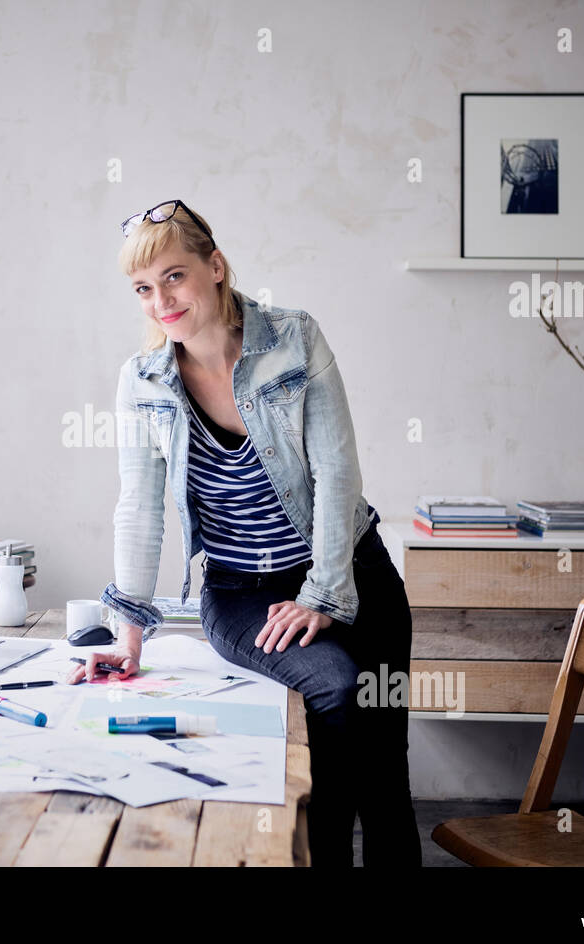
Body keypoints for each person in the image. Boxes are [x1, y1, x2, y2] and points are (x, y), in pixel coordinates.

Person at [65, 200, 421, 867]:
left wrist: (322, 595)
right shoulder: (142, 383)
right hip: (242, 592)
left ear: (216, 266)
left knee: (384, 772)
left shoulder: (294, 338)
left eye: (174, 276)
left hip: (354, 573)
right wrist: (129, 632)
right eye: (143, 288)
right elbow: (138, 505)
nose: (160, 300)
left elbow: (338, 473)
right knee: (334, 686)